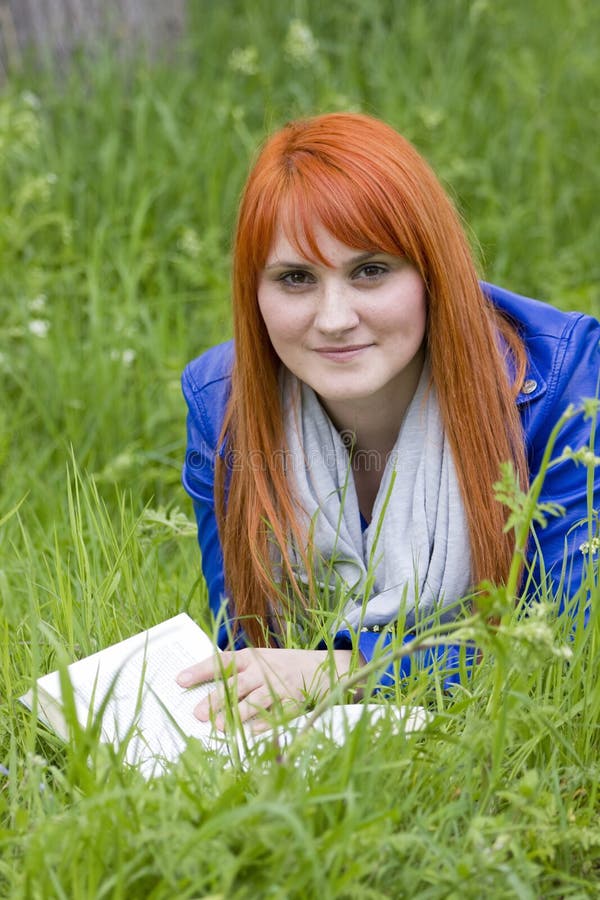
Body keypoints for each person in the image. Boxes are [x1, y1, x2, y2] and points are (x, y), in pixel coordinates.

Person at [177, 112, 600, 729]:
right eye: (295, 278)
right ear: (254, 293)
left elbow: (571, 649)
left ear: (432, 271)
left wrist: (344, 671)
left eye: (370, 270)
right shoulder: (223, 402)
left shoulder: (559, 381)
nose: (334, 318)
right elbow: (248, 644)